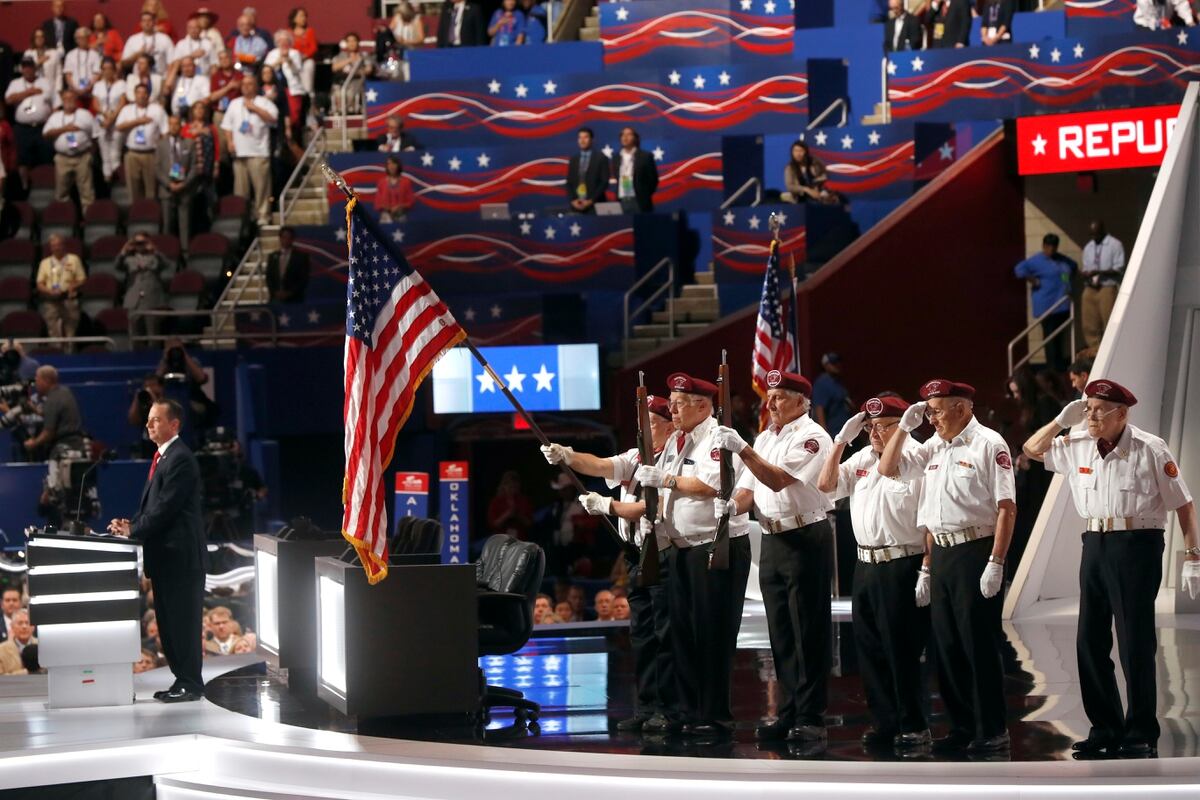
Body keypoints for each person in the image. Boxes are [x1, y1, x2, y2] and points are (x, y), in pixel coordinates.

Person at [1023, 380, 1200, 757]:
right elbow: (1030, 449)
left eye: (1099, 409)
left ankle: (1140, 730)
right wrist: (1059, 421)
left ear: (1122, 413)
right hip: (1095, 543)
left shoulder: (1150, 448)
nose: (1090, 415)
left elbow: (1183, 503)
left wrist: (1193, 555)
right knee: (1090, 640)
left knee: (1135, 641)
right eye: (1086, 407)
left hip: (1137, 545)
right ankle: (1105, 727)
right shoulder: (1078, 445)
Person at [877, 379, 1016, 753]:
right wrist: (904, 429)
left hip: (976, 549)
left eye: (936, 410)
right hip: (941, 552)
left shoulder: (989, 443)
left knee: (978, 644)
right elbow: (887, 469)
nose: (931, 419)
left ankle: (992, 729)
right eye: (929, 411)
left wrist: (997, 561)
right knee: (947, 646)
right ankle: (962, 726)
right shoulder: (934, 447)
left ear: (961, 407)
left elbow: (1006, 506)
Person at [711, 371, 835, 745]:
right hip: (773, 538)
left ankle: (811, 716)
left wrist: (742, 450)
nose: (772, 403)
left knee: (808, 630)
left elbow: (778, 480)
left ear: (802, 401)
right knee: (780, 632)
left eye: (781, 397)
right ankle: (788, 712)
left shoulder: (813, 437)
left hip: (805, 536)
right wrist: (731, 506)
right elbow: (750, 490)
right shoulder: (766, 436)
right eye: (770, 396)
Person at [544, 392, 677, 732]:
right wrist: (567, 455)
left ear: (665, 425)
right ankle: (646, 707)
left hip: (660, 550)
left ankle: (668, 708)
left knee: (664, 635)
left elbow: (654, 506)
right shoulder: (636, 455)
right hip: (634, 553)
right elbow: (601, 465)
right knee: (642, 634)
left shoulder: (674, 457)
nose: (641, 428)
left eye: (647, 423)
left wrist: (609, 506)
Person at [634, 373, 752, 738]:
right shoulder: (678, 442)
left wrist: (665, 481)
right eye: (671, 401)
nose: (672, 408)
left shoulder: (717, 439)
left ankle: (715, 716)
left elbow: (710, 484)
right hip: (681, 548)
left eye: (679, 403)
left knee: (712, 633)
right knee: (683, 634)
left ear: (703, 405)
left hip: (713, 546)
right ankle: (687, 710)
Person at [818, 393, 931, 750]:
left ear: (903, 425)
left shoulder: (920, 456)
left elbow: (929, 519)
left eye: (884, 426)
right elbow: (825, 486)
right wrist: (839, 441)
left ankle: (914, 724)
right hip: (865, 565)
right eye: (871, 426)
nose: (875, 433)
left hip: (903, 562)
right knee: (870, 650)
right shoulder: (862, 458)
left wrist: (928, 567)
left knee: (903, 650)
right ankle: (884, 722)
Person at [109, 399, 205, 703]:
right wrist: (132, 523)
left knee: (182, 624)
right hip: (166, 559)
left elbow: (167, 508)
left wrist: (133, 530)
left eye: (155, 420)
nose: (149, 425)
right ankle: (182, 680)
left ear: (174, 424)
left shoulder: (180, 458)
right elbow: (156, 507)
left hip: (180, 559)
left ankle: (190, 683)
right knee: (169, 623)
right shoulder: (164, 457)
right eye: (148, 420)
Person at [1014, 233, 1077, 372]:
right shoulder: (1036, 260)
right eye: (1049, 247)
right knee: (1049, 338)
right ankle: (1052, 367)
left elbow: (1073, 266)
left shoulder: (1061, 260)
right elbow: (1019, 270)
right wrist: (1034, 280)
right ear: (1044, 246)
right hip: (1047, 307)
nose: (1051, 250)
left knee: (1060, 337)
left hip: (1063, 305)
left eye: (1054, 247)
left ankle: (1060, 365)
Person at [221, 74, 278, 227]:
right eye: (244, 84)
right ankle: (242, 218)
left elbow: (273, 119)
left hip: (258, 152)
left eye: (250, 83)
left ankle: (263, 215)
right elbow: (227, 126)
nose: (246, 86)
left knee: (261, 188)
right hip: (239, 153)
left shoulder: (264, 102)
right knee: (240, 191)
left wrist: (255, 108)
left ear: (256, 86)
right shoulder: (234, 103)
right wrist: (229, 142)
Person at [43, 88, 96, 212]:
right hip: (62, 159)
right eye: (66, 98)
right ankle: (64, 219)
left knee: (87, 193)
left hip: (82, 157)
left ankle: (88, 221)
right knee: (61, 193)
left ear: (76, 100)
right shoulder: (55, 117)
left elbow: (95, 136)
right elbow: (45, 134)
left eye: (71, 98)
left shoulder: (85, 114)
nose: (69, 101)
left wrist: (91, 154)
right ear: (62, 100)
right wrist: (65, 129)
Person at [5, 58, 55, 184]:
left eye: (30, 66)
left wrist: (52, 122)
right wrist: (29, 92)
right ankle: (25, 186)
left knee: (46, 157)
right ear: (21, 69)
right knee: (23, 159)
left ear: (35, 68)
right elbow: (9, 100)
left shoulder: (45, 82)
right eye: (25, 67)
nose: (27, 69)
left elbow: (56, 104)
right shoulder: (15, 83)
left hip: (42, 126)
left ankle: (46, 184)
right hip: (23, 128)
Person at [116, 82, 167, 202]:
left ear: (148, 95)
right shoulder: (127, 109)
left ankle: (151, 215)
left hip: (151, 154)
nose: (141, 96)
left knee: (151, 189)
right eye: (138, 93)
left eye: (144, 93)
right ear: (134, 95)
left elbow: (165, 132)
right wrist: (138, 121)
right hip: (132, 154)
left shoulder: (157, 109)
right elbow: (119, 127)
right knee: (134, 189)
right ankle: (135, 215)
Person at [156, 115, 199, 251]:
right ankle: (167, 252)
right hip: (167, 189)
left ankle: (185, 253)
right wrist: (169, 184)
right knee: (167, 224)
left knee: (185, 225)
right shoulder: (161, 144)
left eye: (176, 124)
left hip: (185, 190)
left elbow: (194, 167)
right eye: (171, 124)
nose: (173, 127)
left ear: (181, 126)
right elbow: (157, 168)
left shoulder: (189, 143)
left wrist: (184, 183)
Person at [1080, 220, 1125, 350]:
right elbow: (1086, 266)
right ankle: (1095, 349)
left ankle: (1111, 349)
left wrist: (1100, 272)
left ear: (1103, 231)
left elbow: (1119, 268)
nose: (1094, 237)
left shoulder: (1115, 245)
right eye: (1092, 235)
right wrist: (1086, 273)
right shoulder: (1089, 247)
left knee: (1108, 319)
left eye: (1097, 234)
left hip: (1107, 286)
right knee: (1089, 322)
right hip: (1091, 286)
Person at [117, 232, 170, 340]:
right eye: (137, 243)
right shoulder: (128, 259)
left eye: (142, 242)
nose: (140, 245)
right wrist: (124, 250)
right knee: (134, 334)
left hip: (151, 298)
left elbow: (167, 264)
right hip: (134, 300)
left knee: (153, 334)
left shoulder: (155, 258)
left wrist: (155, 250)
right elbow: (117, 266)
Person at [25, 365, 84, 461]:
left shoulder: (52, 399)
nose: (35, 384)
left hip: (63, 450)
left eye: (37, 380)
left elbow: (48, 433)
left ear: (47, 380)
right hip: (76, 446)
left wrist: (33, 443)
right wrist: (34, 409)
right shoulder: (64, 392)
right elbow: (53, 413)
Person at [36, 235, 85, 345]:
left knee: (70, 334)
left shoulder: (74, 259)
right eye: (53, 246)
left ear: (64, 245)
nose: (56, 248)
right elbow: (39, 284)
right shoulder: (45, 263)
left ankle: (70, 355)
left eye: (59, 245)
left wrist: (72, 286)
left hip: (69, 300)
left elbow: (82, 279)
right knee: (53, 333)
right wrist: (50, 291)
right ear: (50, 248)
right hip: (51, 301)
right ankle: (56, 355)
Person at [264, 31, 308, 147]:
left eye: (286, 41)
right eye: (280, 41)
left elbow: (297, 70)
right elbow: (266, 71)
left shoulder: (294, 53)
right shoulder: (272, 54)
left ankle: (294, 143)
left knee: (293, 119)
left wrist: (289, 60)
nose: (283, 43)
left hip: (292, 89)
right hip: (276, 89)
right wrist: (278, 61)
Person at [614, 126, 658, 214]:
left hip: (639, 201)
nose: (625, 137)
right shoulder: (616, 157)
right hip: (622, 200)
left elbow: (653, 180)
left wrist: (644, 194)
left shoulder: (645, 156)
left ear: (635, 138)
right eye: (623, 135)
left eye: (628, 134)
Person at [566, 127, 609, 214]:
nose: (582, 140)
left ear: (592, 140)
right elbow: (569, 182)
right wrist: (573, 200)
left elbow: (604, 182)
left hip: (595, 205)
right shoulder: (574, 159)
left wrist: (591, 200)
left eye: (585, 137)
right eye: (580, 137)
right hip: (577, 205)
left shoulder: (601, 158)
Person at [330, 33, 374, 114]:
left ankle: (353, 109)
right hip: (343, 83)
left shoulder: (364, 55)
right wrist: (349, 60)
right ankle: (339, 110)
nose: (352, 43)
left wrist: (357, 72)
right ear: (346, 43)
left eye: (354, 41)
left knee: (353, 91)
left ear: (358, 42)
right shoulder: (342, 55)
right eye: (349, 41)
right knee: (337, 90)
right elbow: (334, 67)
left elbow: (369, 69)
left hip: (358, 83)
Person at [265, 226, 310, 303]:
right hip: (276, 299)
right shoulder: (272, 257)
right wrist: (275, 292)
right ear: (280, 238)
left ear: (292, 239)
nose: (286, 240)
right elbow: (269, 277)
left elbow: (303, 279)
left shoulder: (301, 257)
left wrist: (290, 293)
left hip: (294, 300)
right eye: (284, 237)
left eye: (289, 238)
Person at [122, 11, 174, 77]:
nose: (147, 23)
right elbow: (124, 64)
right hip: (138, 79)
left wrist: (167, 79)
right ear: (140, 23)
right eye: (144, 21)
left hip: (159, 77)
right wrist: (138, 54)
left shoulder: (165, 39)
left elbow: (171, 62)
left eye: (149, 20)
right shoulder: (132, 40)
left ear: (154, 22)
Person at [811, 352, 851, 435]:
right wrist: (824, 433)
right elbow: (819, 408)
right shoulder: (822, 383)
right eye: (833, 363)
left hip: (845, 430)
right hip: (834, 432)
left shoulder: (837, 382)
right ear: (825, 365)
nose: (837, 365)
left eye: (838, 362)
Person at [781, 140, 833, 204]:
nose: (798, 154)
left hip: (819, 194)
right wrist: (806, 189)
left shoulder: (815, 162)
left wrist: (817, 186)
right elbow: (790, 187)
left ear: (806, 152)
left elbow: (824, 176)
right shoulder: (790, 168)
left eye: (801, 151)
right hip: (800, 198)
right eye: (795, 151)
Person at [486, 469, 533, 539]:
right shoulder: (496, 502)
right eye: (510, 486)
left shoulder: (523, 500)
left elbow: (530, 523)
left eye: (515, 486)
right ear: (504, 486)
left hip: (520, 541)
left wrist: (518, 515)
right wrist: (507, 515)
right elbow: (493, 524)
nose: (512, 489)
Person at [25, 29, 62, 109]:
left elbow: (59, 74)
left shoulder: (54, 53)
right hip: (34, 89)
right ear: (33, 39)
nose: (39, 39)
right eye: (37, 37)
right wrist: (38, 62)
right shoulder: (28, 53)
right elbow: (26, 72)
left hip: (51, 88)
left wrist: (58, 90)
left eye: (42, 36)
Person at [62, 28, 101, 102]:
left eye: (84, 37)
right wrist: (75, 89)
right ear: (76, 40)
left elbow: (97, 74)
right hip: (74, 93)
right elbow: (68, 75)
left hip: (91, 92)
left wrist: (88, 87)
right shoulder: (70, 55)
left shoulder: (95, 55)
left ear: (88, 38)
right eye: (79, 38)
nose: (82, 40)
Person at [165, 57, 208, 122]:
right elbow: (167, 86)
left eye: (189, 65)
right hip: (177, 116)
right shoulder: (178, 79)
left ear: (194, 66)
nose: (187, 69)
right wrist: (176, 67)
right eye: (184, 66)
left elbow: (207, 98)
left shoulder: (202, 79)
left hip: (193, 116)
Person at [373, 155, 414, 224]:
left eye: (394, 163)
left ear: (398, 166)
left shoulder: (406, 182)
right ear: (386, 166)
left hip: (401, 215)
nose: (391, 166)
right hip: (385, 216)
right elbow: (377, 203)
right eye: (389, 164)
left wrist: (399, 207)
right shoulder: (381, 182)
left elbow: (410, 201)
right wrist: (387, 208)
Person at [289, 8, 318, 96]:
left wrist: (303, 57)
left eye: (305, 16)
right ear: (294, 19)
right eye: (301, 16)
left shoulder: (310, 31)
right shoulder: (289, 33)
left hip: (306, 60)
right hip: (293, 61)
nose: (304, 18)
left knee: (309, 65)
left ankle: (308, 94)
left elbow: (313, 48)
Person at [0, 610, 35, 674]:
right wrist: (25, 672)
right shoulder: (1, 650)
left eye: (27, 623)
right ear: (12, 626)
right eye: (20, 623)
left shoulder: (42, 646)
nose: (24, 627)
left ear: (33, 626)